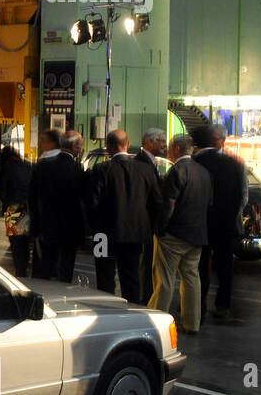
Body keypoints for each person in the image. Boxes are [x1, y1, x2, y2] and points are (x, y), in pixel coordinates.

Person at [150, 133, 212, 333]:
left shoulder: (177, 171)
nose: (167, 150)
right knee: (192, 278)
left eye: (169, 146)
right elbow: (208, 204)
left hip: (175, 235)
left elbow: (170, 204)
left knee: (165, 279)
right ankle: (192, 323)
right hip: (198, 234)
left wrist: (161, 229)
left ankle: (156, 322)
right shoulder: (204, 172)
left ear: (176, 149)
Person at [87, 130, 158, 303]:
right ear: (127, 144)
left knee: (104, 276)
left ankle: (106, 309)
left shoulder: (101, 169)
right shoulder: (146, 170)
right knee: (131, 276)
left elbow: (92, 203)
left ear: (108, 147)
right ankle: (131, 309)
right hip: (135, 235)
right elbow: (156, 202)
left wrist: (93, 230)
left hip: (103, 236)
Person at [192, 124, 248, 322]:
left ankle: (199, 306)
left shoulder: (196, 163)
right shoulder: (234, 164)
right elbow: (242, 197)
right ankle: (222, 307)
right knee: (225, 270)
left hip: (202, 224)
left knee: (199, 268)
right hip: (226, 225)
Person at [28, 128, 84, 282]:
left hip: (45, 227)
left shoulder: (42, 166)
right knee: (65, 272)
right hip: (69, 230)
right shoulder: (77, 170)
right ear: (75, 148)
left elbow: (32, 198)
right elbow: (82, 202)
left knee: (43, 270)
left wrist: (35, 225)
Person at [135, 127, 167, 299]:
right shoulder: (142, 162)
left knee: (148, 263)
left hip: (148, 222)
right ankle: (143, 296)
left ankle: (145, 294)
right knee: (145, 263)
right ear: (149, 142)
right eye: (161, 140)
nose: (164, 144)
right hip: (145, 222)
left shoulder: (152, 161)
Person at [0, 145, 33, 277]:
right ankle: (25, 269)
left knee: (16, 247)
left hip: (14, 209)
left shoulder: (7, 168)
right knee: (25, 244)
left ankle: (20, 273)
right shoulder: (28, 166)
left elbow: (3, 192)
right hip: (29, 208)